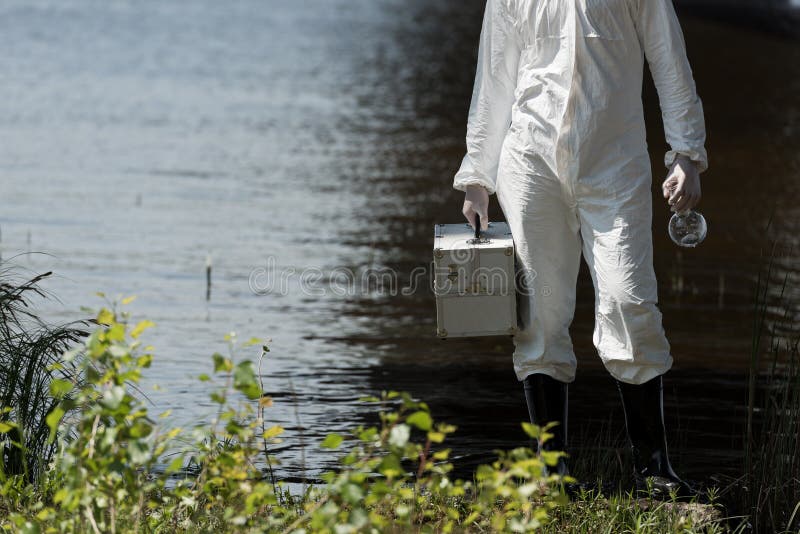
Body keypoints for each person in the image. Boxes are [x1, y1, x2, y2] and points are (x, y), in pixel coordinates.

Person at [453, 0, 707, 497]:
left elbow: (668, 57)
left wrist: (687, 153)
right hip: (529, 162)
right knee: (539, 316)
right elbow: (495, 75)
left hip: (614, 164)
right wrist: (477, 176)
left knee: (629, 300)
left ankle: (654, 470)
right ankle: (553, 475)